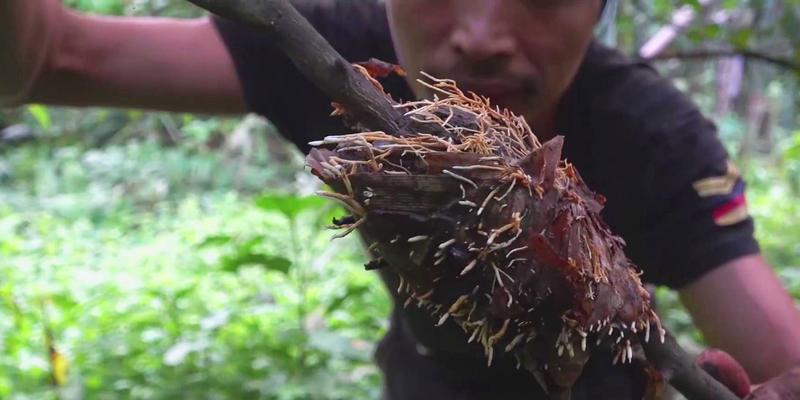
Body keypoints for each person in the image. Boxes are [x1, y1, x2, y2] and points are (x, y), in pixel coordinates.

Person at [3, 0, 800, 398]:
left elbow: (778, 352)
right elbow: (54, 55)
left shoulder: (650, 137)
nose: (482, 34)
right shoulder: (336, 57)